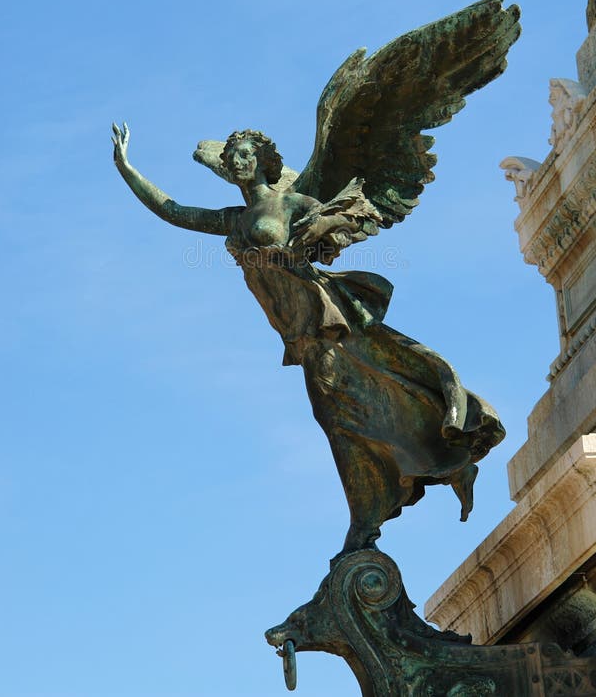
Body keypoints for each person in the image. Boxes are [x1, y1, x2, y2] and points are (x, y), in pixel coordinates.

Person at [113, 122, 504, 556]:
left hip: (324, 321)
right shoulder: (234, 219)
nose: (237, 161)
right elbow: (172, 210)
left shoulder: (291, 202)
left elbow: (344, 216)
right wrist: (126, 167)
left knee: (345, 414)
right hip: (300, 334)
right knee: (347, 410)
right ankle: (436, 470)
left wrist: (318, 228)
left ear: (263, 161)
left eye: (245, 154)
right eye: (232, 156)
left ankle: (371, 519)